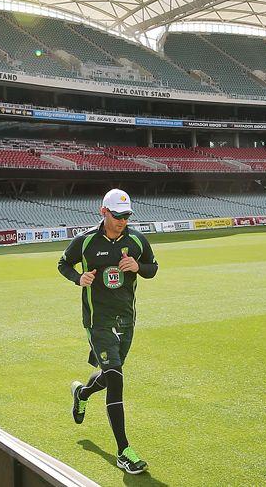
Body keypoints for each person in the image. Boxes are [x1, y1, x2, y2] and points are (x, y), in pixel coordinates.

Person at [57, 188, 158, 475]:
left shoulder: (137, 240)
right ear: (103, 212)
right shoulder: (86, 241)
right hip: (97, 321)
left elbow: (153, 268)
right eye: (117, 216)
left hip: (126, 321)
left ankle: (83, 393)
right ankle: (124, 451)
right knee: (116, 379)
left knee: (109, 374)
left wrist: (138, 266)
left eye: (126, 216)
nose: (122, 221)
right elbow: (63, 263)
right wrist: (79, 278)